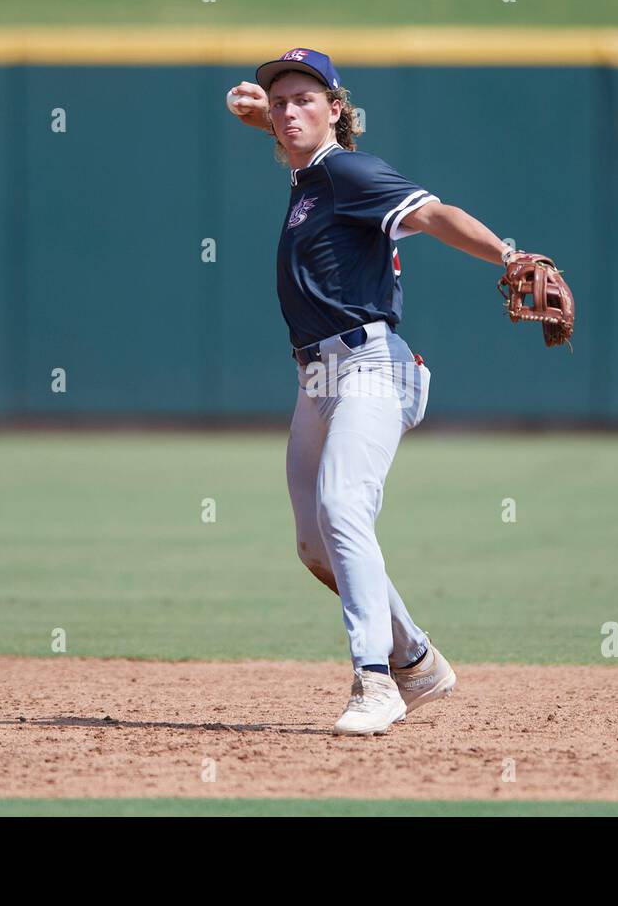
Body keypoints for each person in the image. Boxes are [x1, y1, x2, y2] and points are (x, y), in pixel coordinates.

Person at [227, 48, 519, 736]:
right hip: (316, 378)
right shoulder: (312, 180)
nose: (288, 109)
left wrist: (508, 256)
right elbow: (298, 142)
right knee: (317, 546)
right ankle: (416, 660)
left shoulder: (349, 171)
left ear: (338, 109)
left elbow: (435, 214)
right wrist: (265, 120)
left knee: (341, 504)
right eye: (279, 100)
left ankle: (376, 682)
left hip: (368, 366)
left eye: (305, 98)